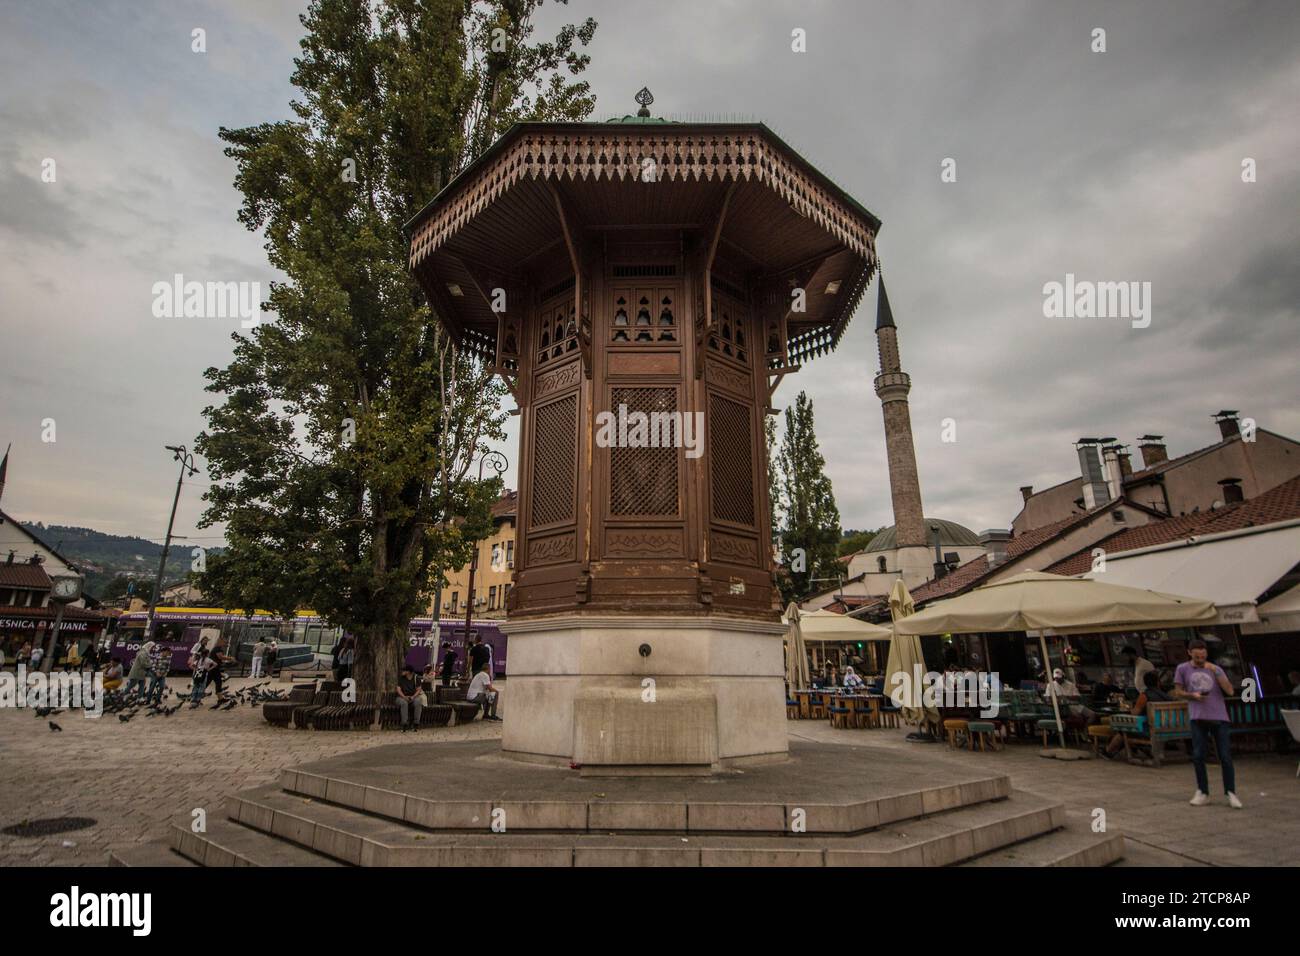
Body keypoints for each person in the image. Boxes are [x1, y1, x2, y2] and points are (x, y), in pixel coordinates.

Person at [1174, 639, 1240, 808]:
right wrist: (1192, 695)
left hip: (1219, 716)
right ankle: (1202, 791)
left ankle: (1230, 792)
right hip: (1198, 717)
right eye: (1196, 656)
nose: (1200, 659)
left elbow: (1230, 690)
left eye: (1202, 656)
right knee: (1198, 755)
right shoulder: (1182, 669)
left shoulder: (1215, 668)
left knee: (1225, 756)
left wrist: (1216, 672)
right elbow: (1178, 691)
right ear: (1189, 653)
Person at [1104, 670, 1171, 758]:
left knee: (1124, 730)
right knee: (1129, 728)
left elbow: (1135, 713)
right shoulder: (1166, 696)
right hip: (1169, 728)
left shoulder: (1145, 696)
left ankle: (1108, 751)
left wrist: (1129, 709)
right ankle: (1143, 749)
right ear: (1158, 682)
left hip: (1151, 731)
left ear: (1145, 683)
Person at [396, 664, 423, 731]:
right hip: (401, 697)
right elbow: (398, 689)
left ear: (408, 672)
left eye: (404, 670)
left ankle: (416, 724)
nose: (402, 671)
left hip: (412, 697)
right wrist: (404, 697)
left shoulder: (416, 678)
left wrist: (413, 697)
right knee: (404, 703)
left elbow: (418, 690)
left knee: (418, 701)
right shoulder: (401, 678)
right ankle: (404, 724)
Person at [145, 641, 169, 706]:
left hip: (162, 676)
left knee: (162, 687)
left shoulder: (168, 659)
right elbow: (153, 667)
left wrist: (165, 673)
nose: (167, 653)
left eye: (168, 652)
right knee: (151, 688)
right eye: (166, 652)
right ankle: (148, 700)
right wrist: (156, 673)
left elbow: (168, 667)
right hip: (155, 675)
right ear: (163, 652)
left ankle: (157, 699)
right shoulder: (157, 658)